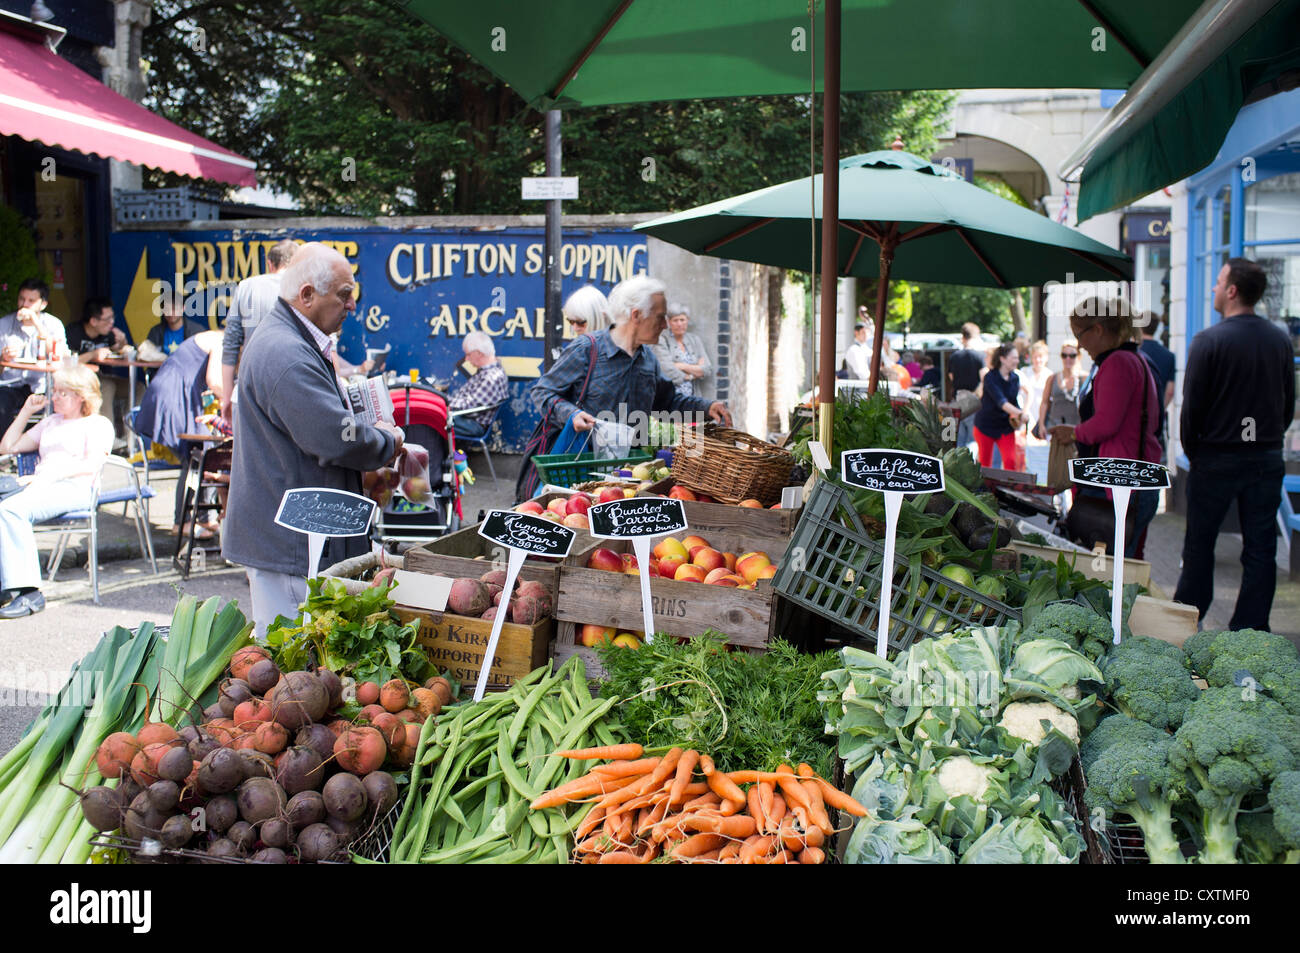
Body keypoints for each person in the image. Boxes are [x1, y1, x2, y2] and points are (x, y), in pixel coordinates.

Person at [222, 243, 403, 635]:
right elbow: (333, 437)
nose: (352, 305)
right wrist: (387, 441)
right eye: (344, 295)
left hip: (298, 538)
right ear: (306, 296)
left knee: (304, 662)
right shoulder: (285, 352)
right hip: (291, 546)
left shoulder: (288, 340)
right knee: (295, 663)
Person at [516, 275, 731, 501]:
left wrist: (709, 407)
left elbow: (668, 403)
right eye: (659, 317)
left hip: (624, 476)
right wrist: (572, 414)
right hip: (577, 471)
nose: (664, 325)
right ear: (636, 315)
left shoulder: (648, 359)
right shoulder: (587, 349)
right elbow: (543, 391)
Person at [1175, 259, 1293, 632]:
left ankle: (1185, 621)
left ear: (1231, 291)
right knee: (1261, 550)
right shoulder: (1278, 340)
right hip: (1264, 457)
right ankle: (1251, 628)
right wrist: (1265, 440)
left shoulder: (1209, 341)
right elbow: (1287, 404)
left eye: (1218, 281)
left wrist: (1198, 454)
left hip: (1216, 458)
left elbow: (1191, 409)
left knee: (1199, 545)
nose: (1212, 288)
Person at [0, 365, 113, 618]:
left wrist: (50, 476)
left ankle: (30, 593)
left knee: (9, 510)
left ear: (81, 395)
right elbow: (7, 447)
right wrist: (27, 411)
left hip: (76, 487)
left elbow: (92, 464)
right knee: (7, 509)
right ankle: (5, 586)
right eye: (56, 391)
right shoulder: (51, 422)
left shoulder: (97, 424)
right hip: (41, 486)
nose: (54, 397)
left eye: (62, 392)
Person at [1055, 298, 1161, 559]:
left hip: (1119, 481)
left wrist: (1073, 433)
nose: (1079, 345)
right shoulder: (1135, 359)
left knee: (1109, 566)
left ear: (1098, 330)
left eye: (1080, 335)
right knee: (1125, 560)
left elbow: (1106, 424)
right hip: (1131, 478)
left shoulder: (1118, 363)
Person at [133, 330, 225, 537]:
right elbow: (214, 380)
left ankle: (203, 518)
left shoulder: (211, 338)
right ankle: (182, 522)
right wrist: (234, 398)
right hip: (173, 395)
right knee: (199, 455)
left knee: (201, 455)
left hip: (174, 392)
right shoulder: (221, 341)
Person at [220, 238, 299, 426]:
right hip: (293, 390)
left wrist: (226, 396)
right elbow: (328, 347)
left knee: (247, 455)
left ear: (270, 264)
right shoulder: (304, 290)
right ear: (297, 264)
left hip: (248, 391)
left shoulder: (246, 287)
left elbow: (230, 345)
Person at [0, 279, 68, 434]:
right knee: (1, 404)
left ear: (43, 304)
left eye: (31, 301)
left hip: (42, 386)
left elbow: (59, 355)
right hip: (10, 386)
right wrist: (3, 359)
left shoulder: (53, 324)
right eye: (22, 299)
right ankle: (5, 451)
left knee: (63, 402)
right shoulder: (4, 325)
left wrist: (36, 323)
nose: (25, 305)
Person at [67, 297, 129, 442]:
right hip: (78, 381)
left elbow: (122, 351)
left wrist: (123, 341)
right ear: (93, 321)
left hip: (102, 375)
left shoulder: (108, 333)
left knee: (138, 387)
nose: (111, 323)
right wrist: (94, 354)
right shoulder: (73, 333)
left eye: (113, 318)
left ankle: (131, 439)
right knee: (106, 386)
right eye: (107, 319)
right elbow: (67, 363)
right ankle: (106, 440)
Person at [447, 331, 509, 440]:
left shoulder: (491, 378)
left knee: (432, 417)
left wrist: (444, 402)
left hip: (473, 424)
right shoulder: (489, 372)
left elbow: (469, 406)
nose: (466, 359)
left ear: (479, 353)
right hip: (467, 418)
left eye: (468, 354)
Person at [972, 343, 1025, 468]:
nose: (1017, 361)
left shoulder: (1015, 378)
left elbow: (1013, 402)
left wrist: (1019, 414)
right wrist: (1020, 414)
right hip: (986, 426)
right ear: (1002, 359)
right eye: (1014, 358)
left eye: (1017, 358)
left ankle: (1009, 487)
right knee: (985, 465)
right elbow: (1001, 402)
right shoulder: (990, 377)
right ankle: (986, 488)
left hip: (1005, 426)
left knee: (1010, 461)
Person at [1137, 313, 1176, 458]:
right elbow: (1170, 390)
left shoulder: (1135, 353)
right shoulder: (1168, 355)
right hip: (1157, 416)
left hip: (1137, 415)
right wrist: (1159, 408)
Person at [654, 303, 712, 398]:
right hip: (670, 400)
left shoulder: (694, 340)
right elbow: (667, 371)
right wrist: (692, 374)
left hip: (694, 399)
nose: (679, 324)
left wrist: (681, 366)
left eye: (682, 320)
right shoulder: (661, 340)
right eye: (675, 320)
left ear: (687, 321)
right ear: (668, 322)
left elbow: (707, 369)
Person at [1033, 340, 1083, 438]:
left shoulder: (1084, 378)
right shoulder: (1052, 378)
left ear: (1078, 357)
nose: (1068, 358)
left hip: (1076, 429)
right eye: (1064, 355)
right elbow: (1044, 402)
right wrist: (1041, 425)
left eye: (1072, 355)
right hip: (1054, 428)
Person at [947, 322, 986, 447]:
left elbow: (951, 377)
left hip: (957, 399)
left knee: (959, 440)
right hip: (973, 401)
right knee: (973, 441)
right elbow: (984, 378)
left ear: (963, 337)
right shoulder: (980, 356)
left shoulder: (954, 356)